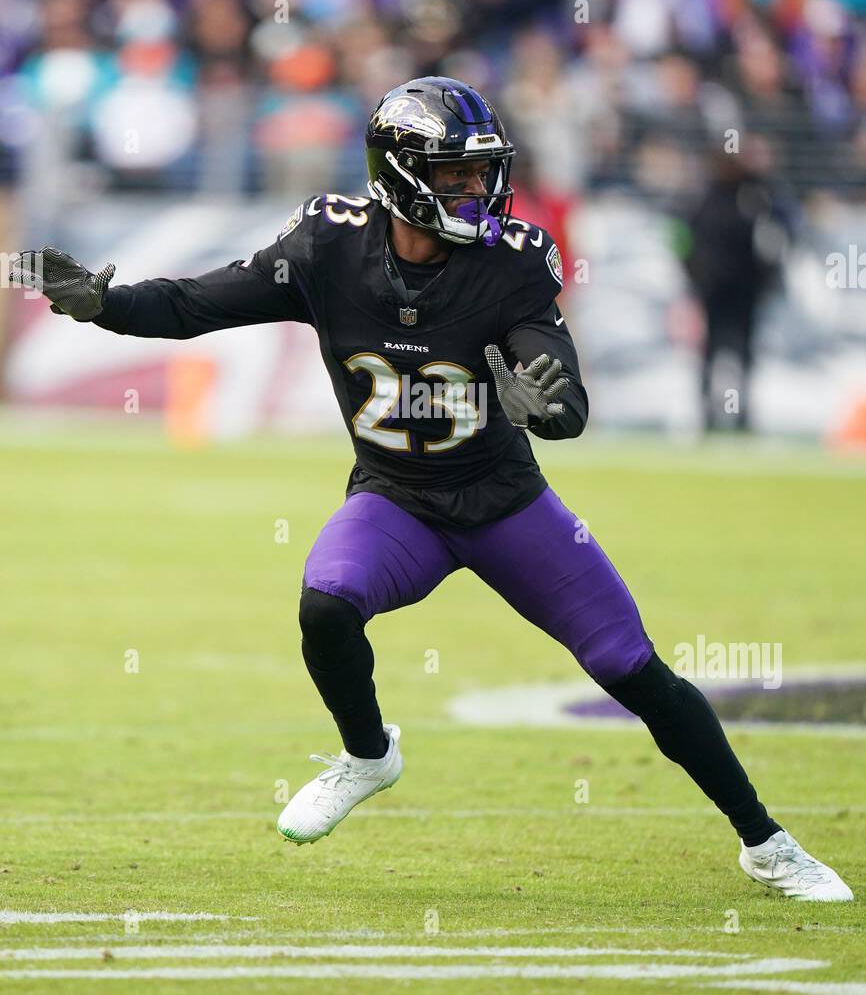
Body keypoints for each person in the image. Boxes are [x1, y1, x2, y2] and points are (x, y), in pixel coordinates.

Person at [10, 76, 852, 901]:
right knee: (326, 603)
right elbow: (199, 304)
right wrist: (105, 303)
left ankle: (767, 845)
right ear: (401, 173)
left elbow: (565, 398)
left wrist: (545, 404)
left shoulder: (509, 264)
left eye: (482, 172)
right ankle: (369, 754)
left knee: (633, 669)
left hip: (503, 503)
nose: (476, 189)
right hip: (395, 501)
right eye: (455, 174)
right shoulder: (328, 246)